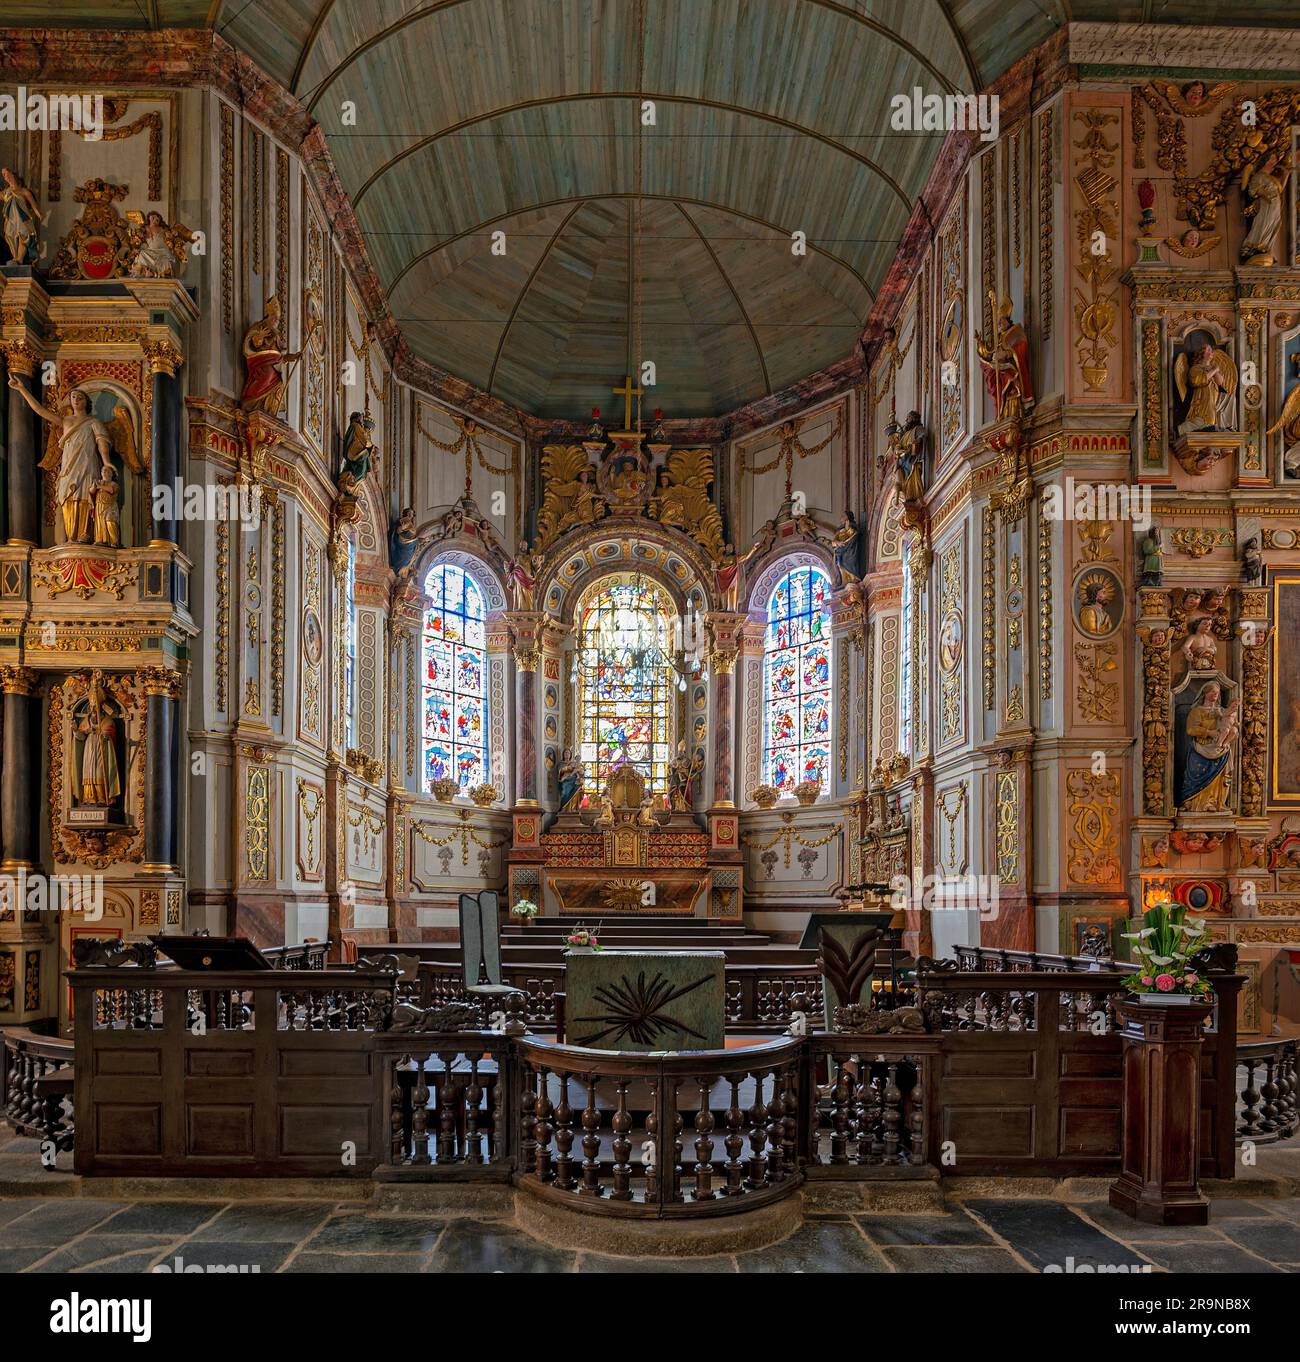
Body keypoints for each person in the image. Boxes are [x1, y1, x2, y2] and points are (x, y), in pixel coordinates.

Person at [10, 378, 113, 544]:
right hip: (69, 466)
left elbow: (102, 442)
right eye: (73, 397)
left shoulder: (93, 422)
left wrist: (106, 462)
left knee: (86, 496)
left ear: (87, 402)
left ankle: (85, 534)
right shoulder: (66, 421)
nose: (76, 400)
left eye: (80, 397)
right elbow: (40, 410)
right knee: (68, 497)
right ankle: (71, 536)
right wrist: (22, 389)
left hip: (87, 464)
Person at [1, 167, 42, 266]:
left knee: (23, 237)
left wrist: (38, 213)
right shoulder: (5, 192)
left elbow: (33, 205)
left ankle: (19, 259)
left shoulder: (24, 191)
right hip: (10, 220)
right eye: (3, 175)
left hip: (22, 219)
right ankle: (15, 257)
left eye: (6, 173)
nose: (4, 176)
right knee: (10, 237)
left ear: (12, 174)